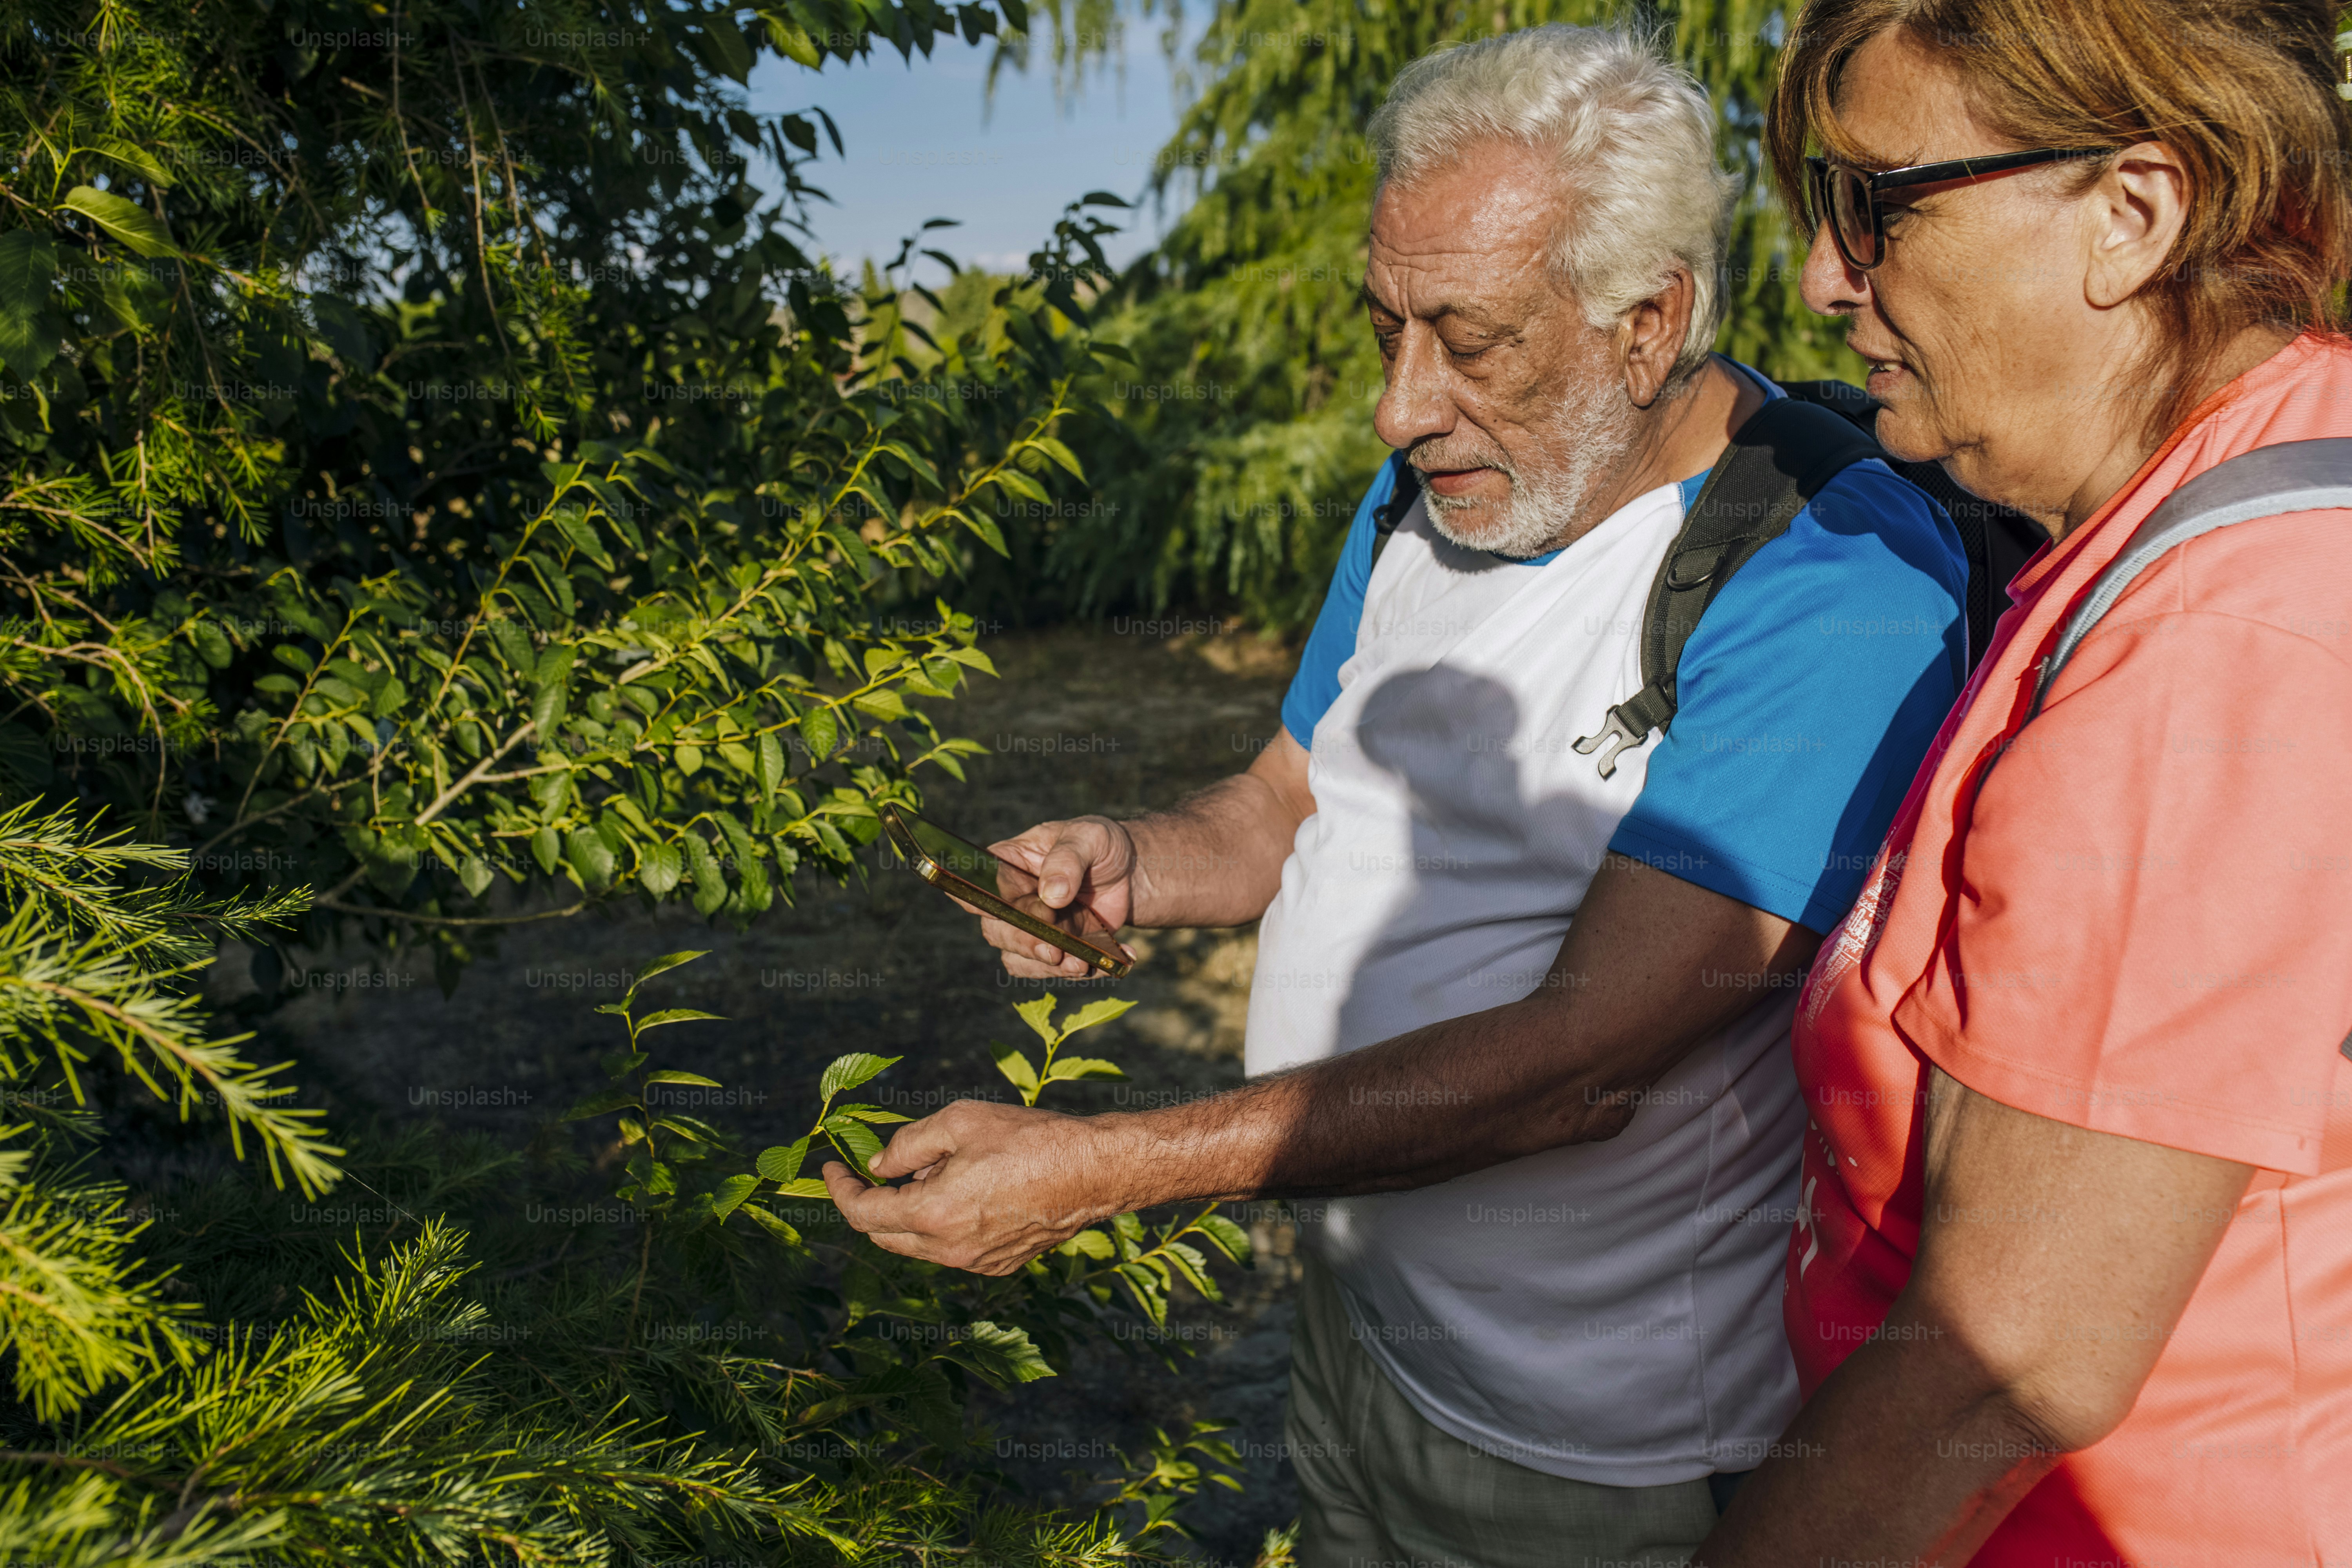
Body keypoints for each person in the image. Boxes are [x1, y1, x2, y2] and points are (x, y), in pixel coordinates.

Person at [826, 26, 1967, 1567]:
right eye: (1387, 331)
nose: (1399, 405)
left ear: (1653, 323)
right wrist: (1138, 863)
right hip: (1361, 1332)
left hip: (1586, 1446)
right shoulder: (1441, 486)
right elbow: (1290, 800)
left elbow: (1580, 1067)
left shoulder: (1830, 577)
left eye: (1469, 339)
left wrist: (1101, 1170)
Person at [1686, 1, 2352, 1564]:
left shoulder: (2218, 644)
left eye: (1877, 205)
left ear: (2133, 213)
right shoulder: (2209, 485)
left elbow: (1997, 1372)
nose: (1824, 279)